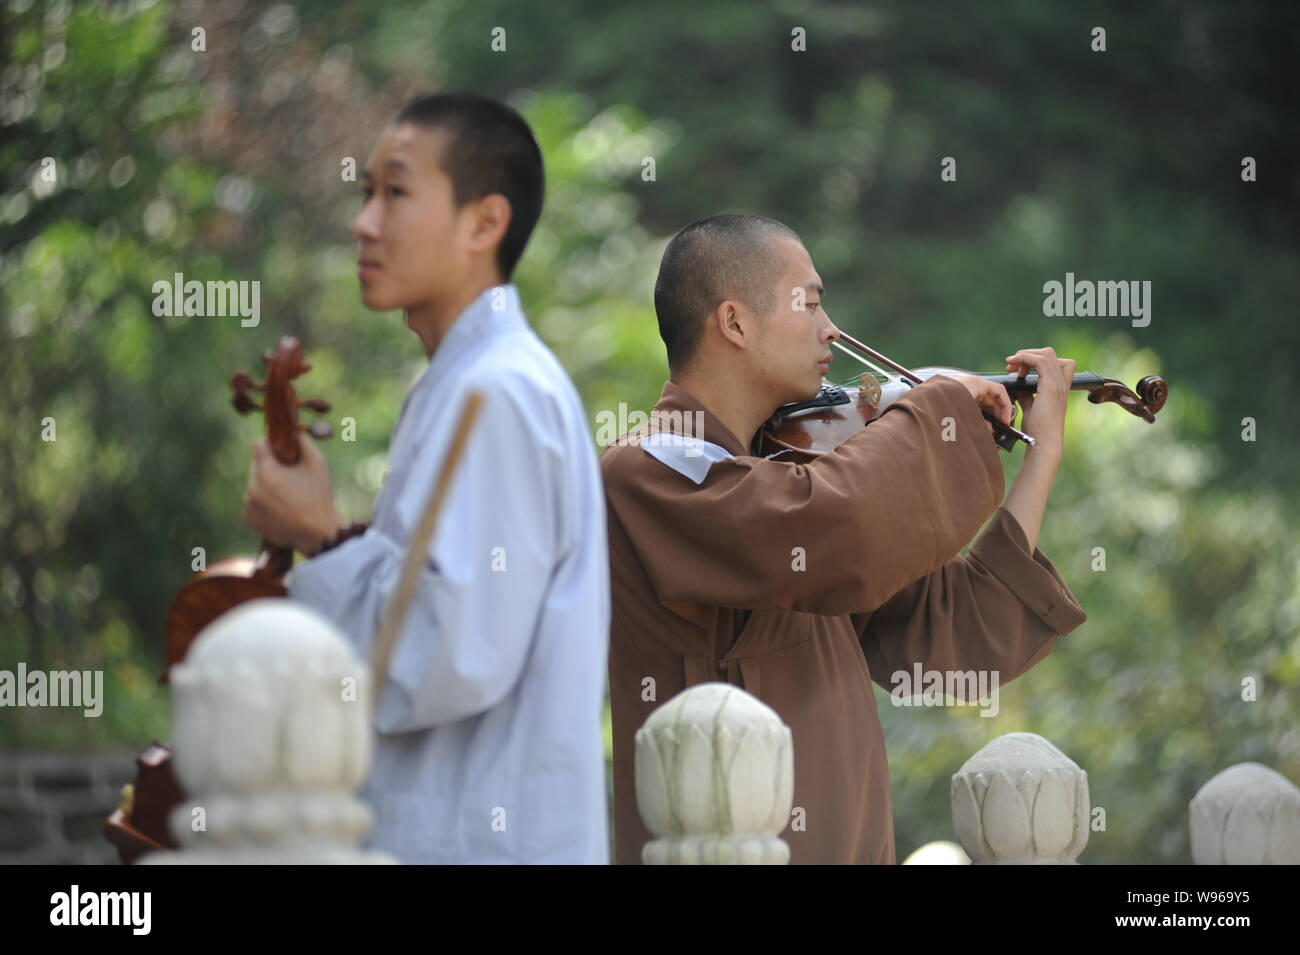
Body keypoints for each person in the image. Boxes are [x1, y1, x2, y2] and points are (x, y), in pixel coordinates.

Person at [600, 213, 1087, 864]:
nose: (832, 329)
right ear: (735, 322)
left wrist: (1042, 454)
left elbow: (956, 628)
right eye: (810, 303)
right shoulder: (648, 470)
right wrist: (936, 404)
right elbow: (832, 523)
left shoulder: (788, 481)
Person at [240, 91, 610, 864]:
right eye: (366, 192)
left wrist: (318, 533)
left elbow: (449, 653)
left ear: (485, 222)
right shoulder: (462, 381)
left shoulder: (496, 391)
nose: (364, 221)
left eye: (396, 191)